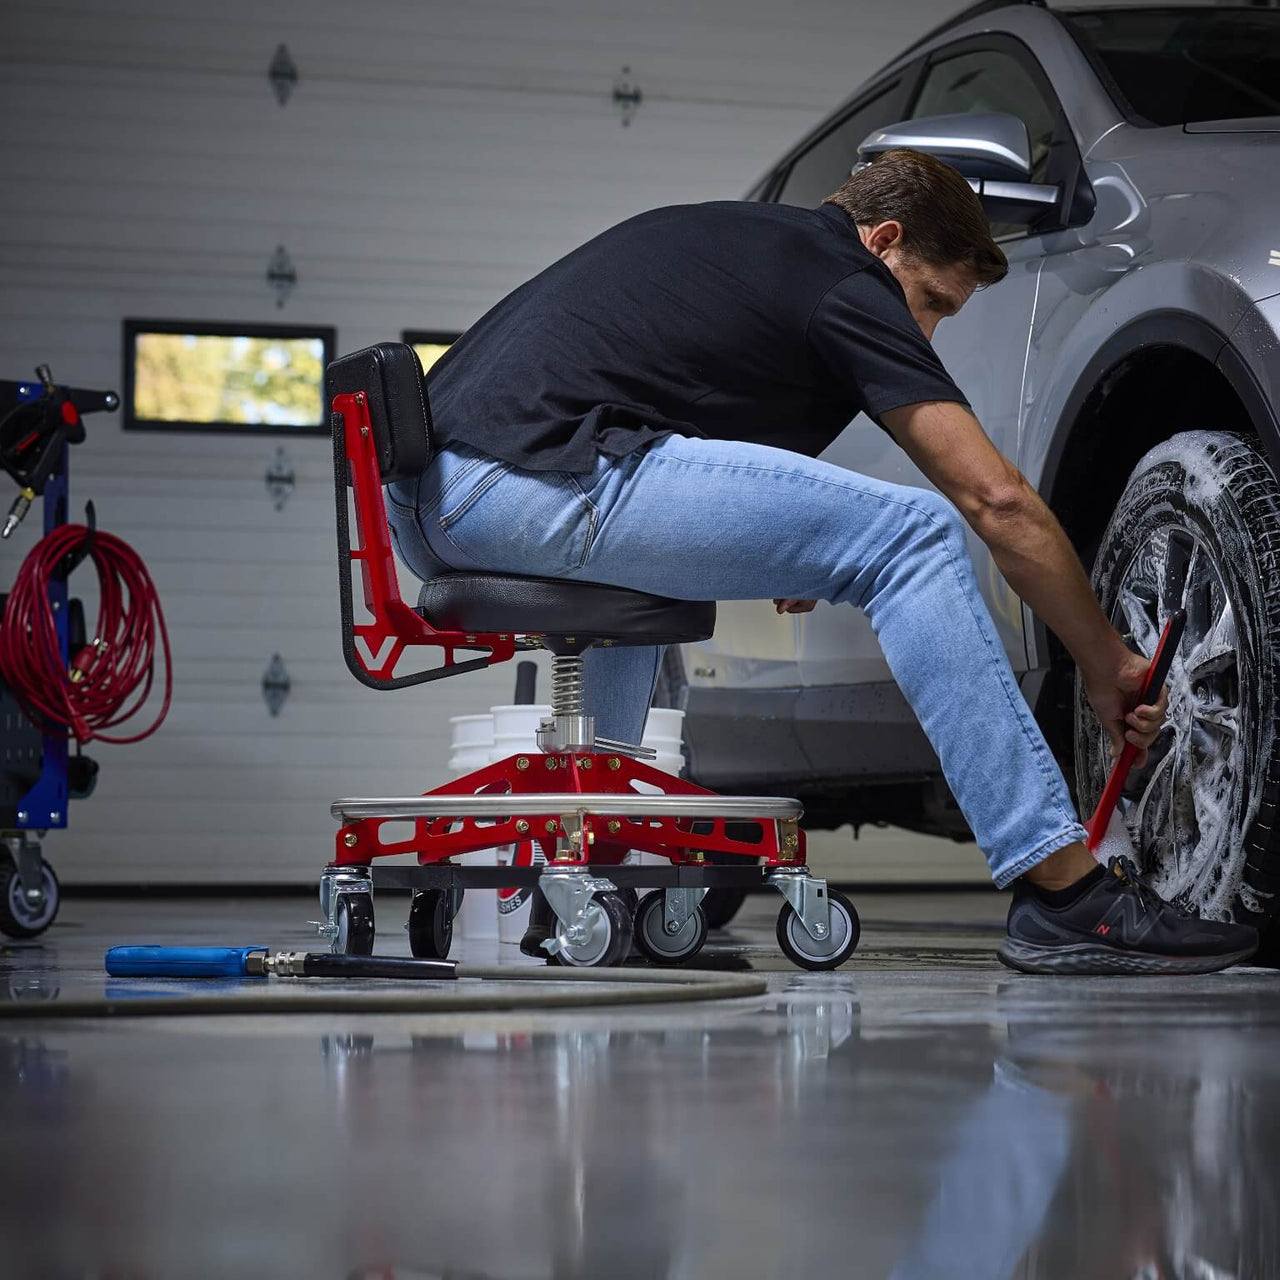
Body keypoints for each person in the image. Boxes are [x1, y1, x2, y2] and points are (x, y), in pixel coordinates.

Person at [385, 148, 1257, 975]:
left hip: (436, 503)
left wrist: (787, 542)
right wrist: (1106, 662)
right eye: (931, 301)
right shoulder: (843, 278)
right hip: (520, 482)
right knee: (913, 536)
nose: (925, 332)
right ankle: (1064, 890)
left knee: (670, 574)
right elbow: (998, 501)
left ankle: (587, 880)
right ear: (884, 241)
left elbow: (678, 414)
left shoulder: (747, 247)